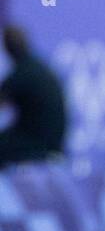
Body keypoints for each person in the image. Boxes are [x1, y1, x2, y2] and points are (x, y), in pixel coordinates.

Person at [0, 25, 67, 170]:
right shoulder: (39, 68)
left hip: (38, 143)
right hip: (54, 142)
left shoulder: (22, 74)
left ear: (7, 48)